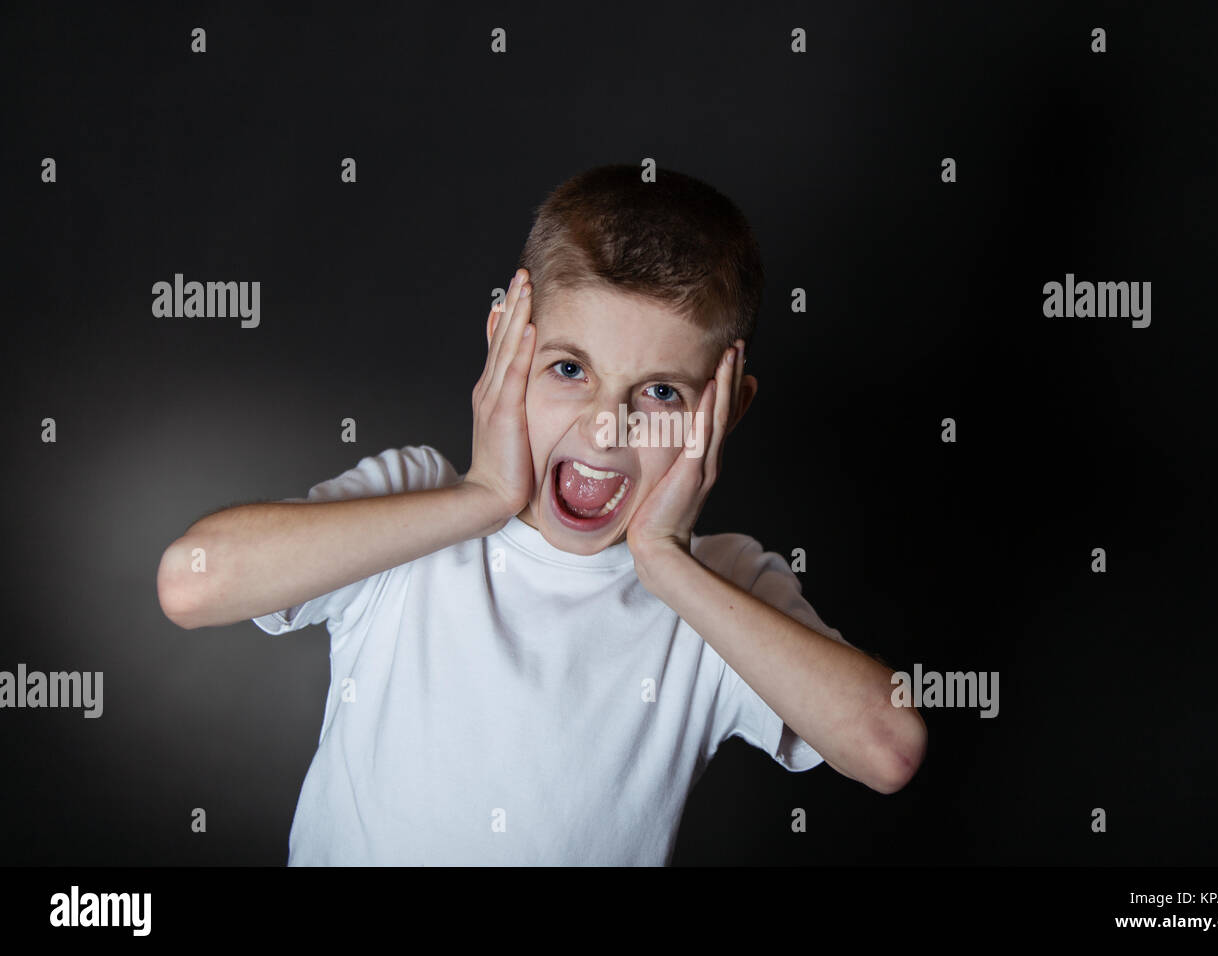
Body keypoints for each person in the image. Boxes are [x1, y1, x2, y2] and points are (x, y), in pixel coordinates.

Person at [155, 163, 927, 865]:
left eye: (661, 393)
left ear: (725, 412)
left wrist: (663, 561)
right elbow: (193, 583)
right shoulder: (418, 500)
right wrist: (478, 499)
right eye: (568, 369)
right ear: (505, 345)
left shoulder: (722, 587)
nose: (603, 428)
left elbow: (889, 747)